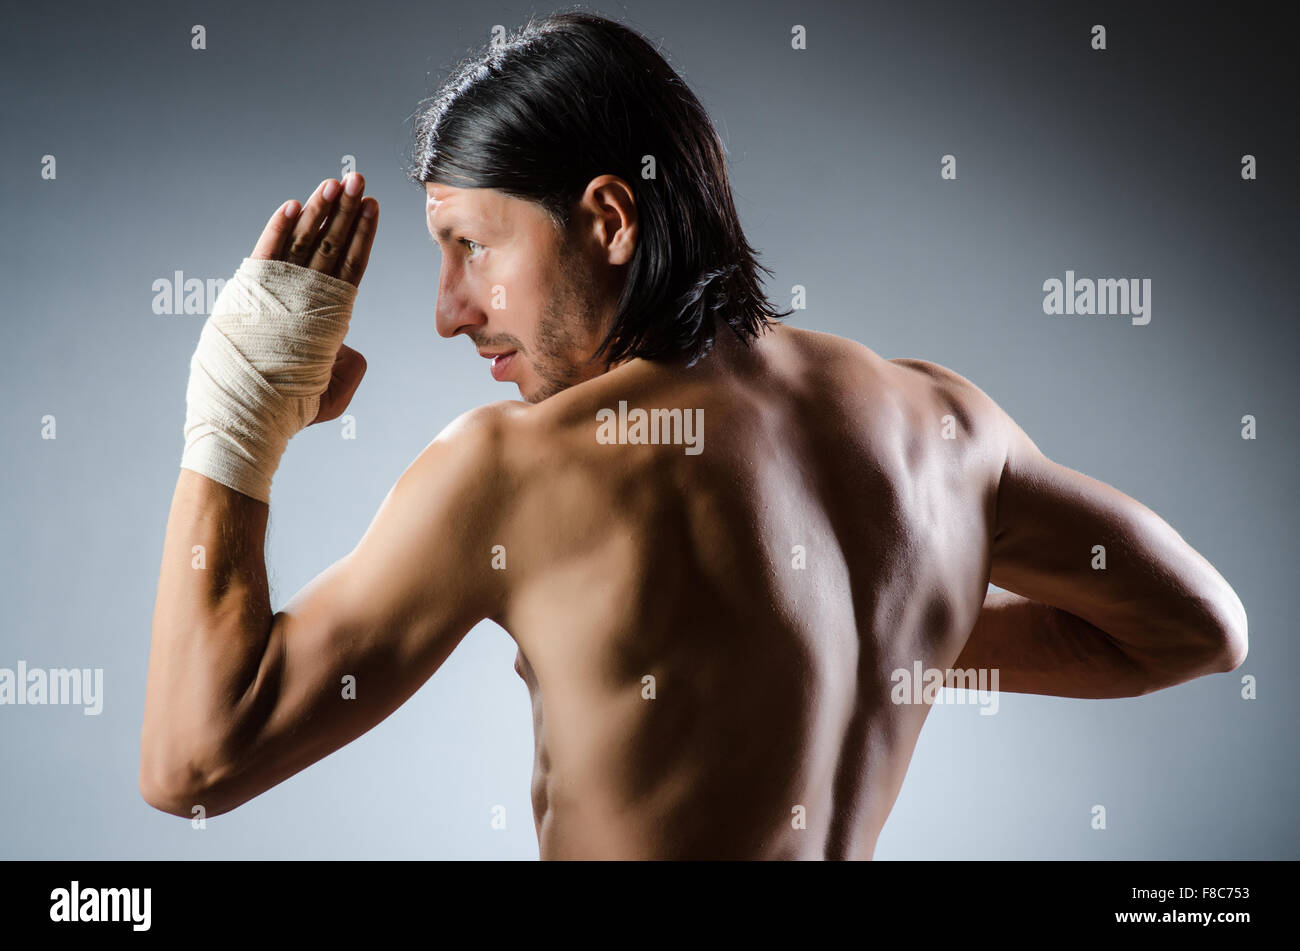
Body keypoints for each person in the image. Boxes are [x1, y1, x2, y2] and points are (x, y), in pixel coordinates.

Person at [140, 12, 1247, 859]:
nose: (448, 309)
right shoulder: (942, 425)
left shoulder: (506, 470)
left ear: (610, 219)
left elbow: (196, 759)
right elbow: (1196, 628)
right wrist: (885, 635)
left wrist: (238, 416)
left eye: (470, 245)